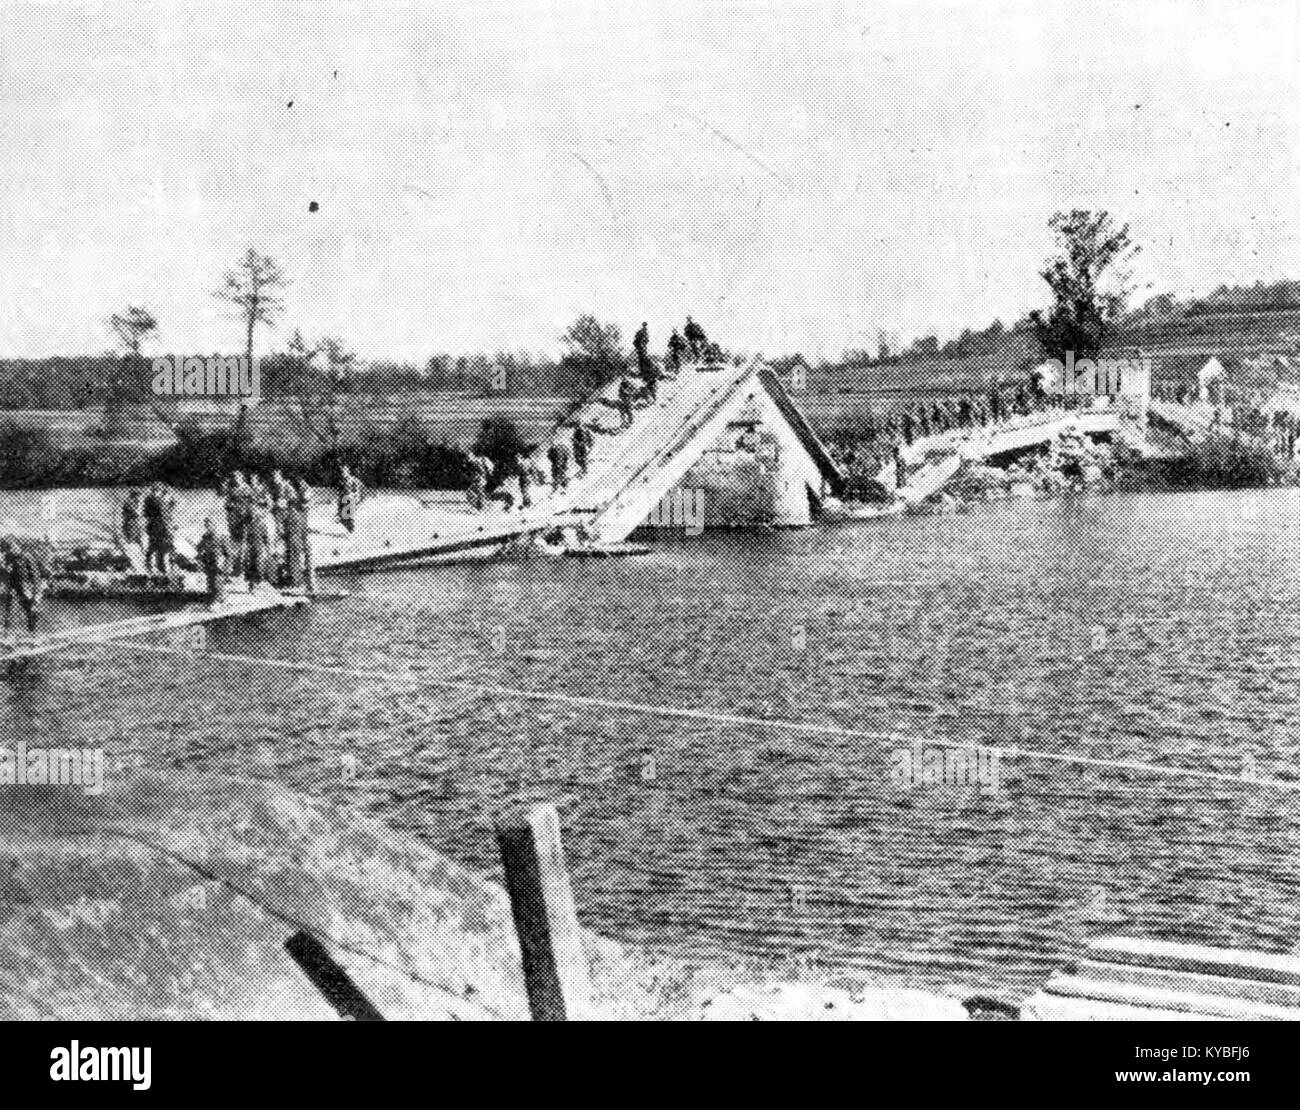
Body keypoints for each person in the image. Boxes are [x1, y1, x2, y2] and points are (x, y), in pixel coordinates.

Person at [1, 538, 47, 634]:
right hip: (11, 585)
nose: (11, 550)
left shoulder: (27, 557)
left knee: (28, 607)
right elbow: (4, 572)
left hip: (25, 586)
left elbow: (35, 575)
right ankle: (6, 629)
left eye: (13, 547)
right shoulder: (8, 557)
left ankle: (32, 627)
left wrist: (36, 591)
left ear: (19, 547)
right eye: (9, 548)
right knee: (7, 606)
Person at [283, 477, 315, 591]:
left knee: (304, 554)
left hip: (301, 530)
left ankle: (307, 584)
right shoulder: (293, 503)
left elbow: (307, 498)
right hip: (294, 530)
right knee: (294, 554)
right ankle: (297, 582)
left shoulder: (301, 500)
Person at [194, 518, 231, 605]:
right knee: (210, 581)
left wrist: (226, 564)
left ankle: (217, 601)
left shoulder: (221, 536)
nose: (208, 527)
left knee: (217, 581)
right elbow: (199, 547)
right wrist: (199, 553)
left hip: (218, 561)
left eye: (209, 525)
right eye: (206, 526)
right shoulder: (205, 537)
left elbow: (227, 553)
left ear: (214, 525)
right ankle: (220, 599)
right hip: (208, 560)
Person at [222, 471, 250, 576]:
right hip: (233, 520)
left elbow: (250, 504)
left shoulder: (246, 489)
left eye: (237, 477)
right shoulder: (231, 490)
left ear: (241, 478)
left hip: (243, 520)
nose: (235, 479)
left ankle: (241, 568)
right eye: (234, 477)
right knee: (234, 544)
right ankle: (236, 567)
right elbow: (226, 504)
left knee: (243, 544)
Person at [142, 482, 170, 575]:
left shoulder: (161, 500)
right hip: (154, 526)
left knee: (160, 547)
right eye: (157, 490)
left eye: (159, 490)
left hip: (161, 526)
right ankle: (149, 566)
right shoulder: (150, 499)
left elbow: (165, 514)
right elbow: (146, 513)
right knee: (153, 546)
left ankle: (161, 568)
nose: (158, 491)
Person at [121, 489, 144, 564]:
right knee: (131, 540)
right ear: (134, 495)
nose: (138, 497)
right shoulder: (129, 502)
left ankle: (141, 553)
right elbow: (133, 513)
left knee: (138, 539)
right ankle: (132, 557)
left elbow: (137, 513)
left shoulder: (135, 502)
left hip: (134, 523)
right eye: (137, 495)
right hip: (130, 523)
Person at [336, 466, 362, 534]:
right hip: (343, 499)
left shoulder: (353, 479)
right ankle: (350, 529)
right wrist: (339, 500)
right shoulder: (341, 481)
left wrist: (356, 497)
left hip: (350, 498)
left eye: (344, 472)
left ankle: (352, 530)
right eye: (342, 472)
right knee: (341, 517)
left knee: (349, 516)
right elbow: (339, 491)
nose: (343, 474)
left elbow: (357, 489)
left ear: (348, 472)